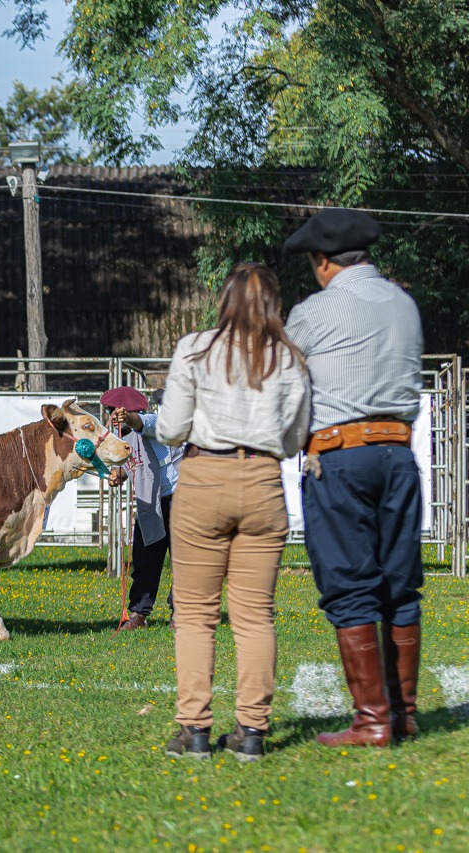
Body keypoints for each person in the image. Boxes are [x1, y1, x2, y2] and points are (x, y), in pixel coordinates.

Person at [153, 262, 311, 761]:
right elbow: (296, 439)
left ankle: (194, 729)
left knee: (195, 615)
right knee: (255, 615)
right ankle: (252, 731)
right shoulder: (288, 357)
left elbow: (170, 429)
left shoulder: (195, 348)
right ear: (273, 304)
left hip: (203, 477)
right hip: (263, 480)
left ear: (223, 300)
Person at [283, 208, 425, 748]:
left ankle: (371, 721)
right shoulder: (404, 303)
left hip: (340, 456)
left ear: (323, 261)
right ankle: (403, 714)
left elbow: (287, 383)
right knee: (400, 583)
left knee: (349, 583)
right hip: (398, 452)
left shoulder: (313, 312)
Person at [103, 386, 185, 632]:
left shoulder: (154, 422)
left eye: (113, 411)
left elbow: (143, 423)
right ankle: (139, 613)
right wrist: (119, 475)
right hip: (150, 502)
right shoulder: (120, 438)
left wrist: (130, 418)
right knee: (144, 560)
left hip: (181, 498)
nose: (111, 416)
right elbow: (130, 465)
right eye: (109, 411)